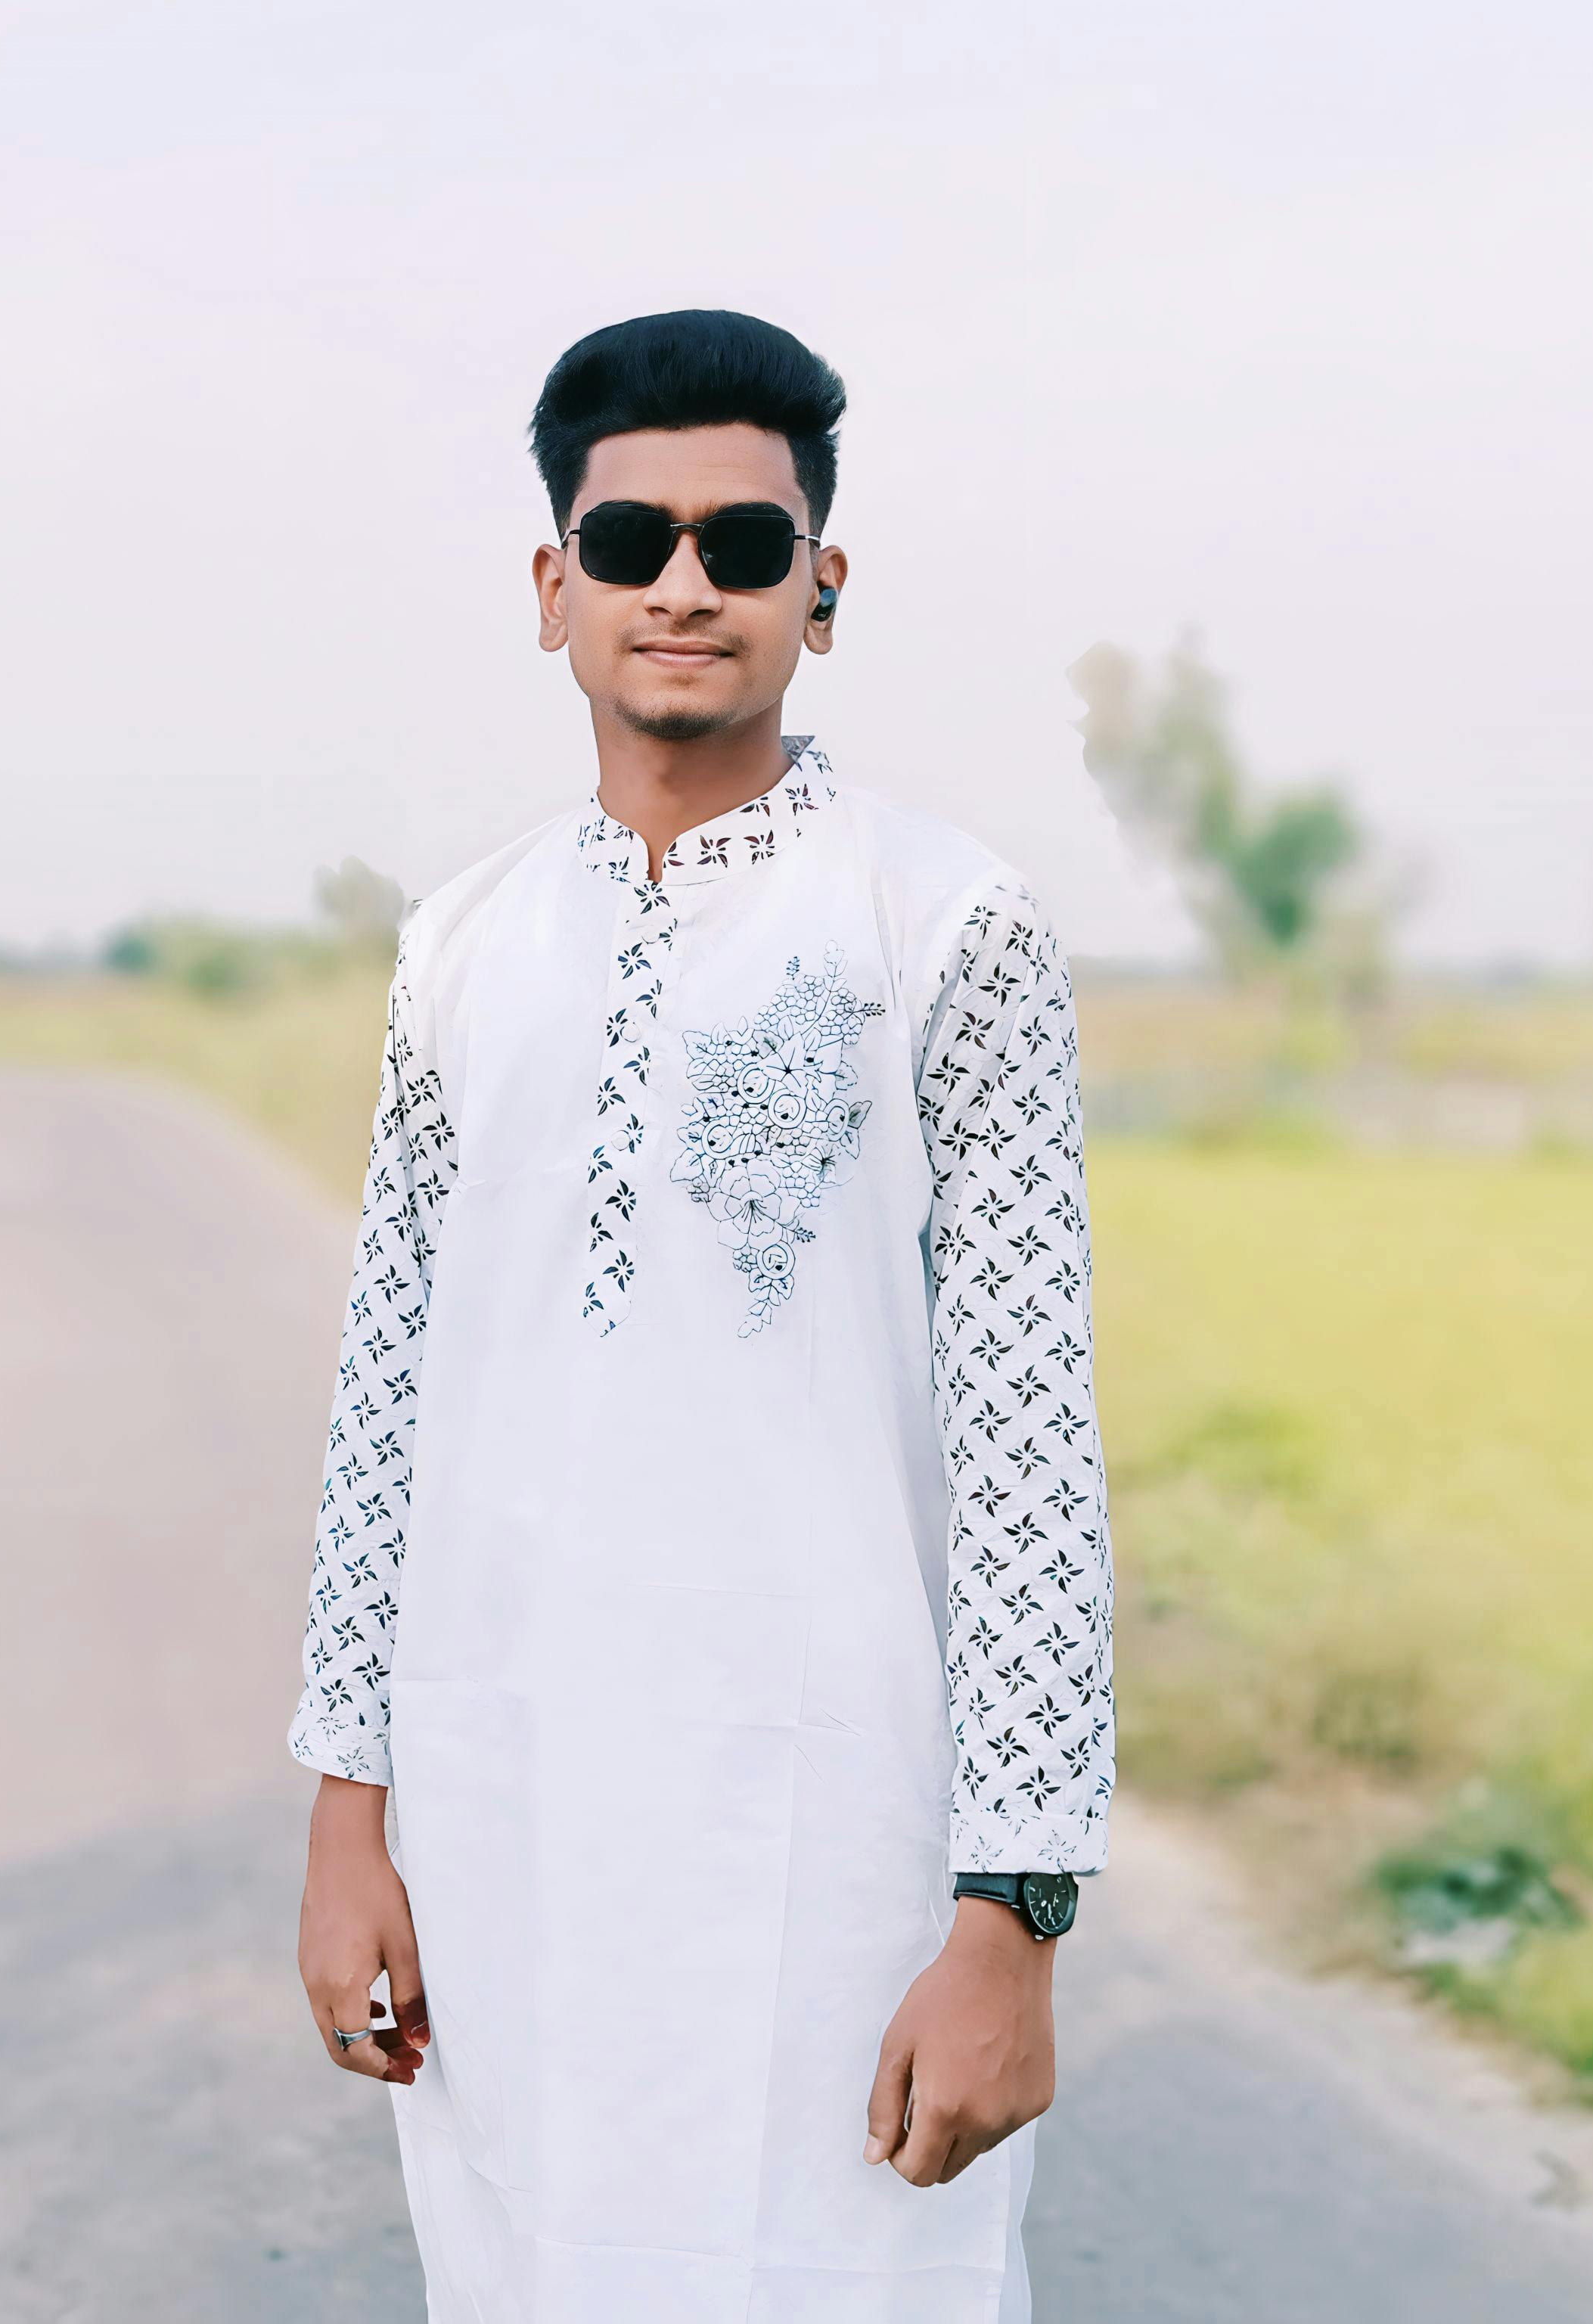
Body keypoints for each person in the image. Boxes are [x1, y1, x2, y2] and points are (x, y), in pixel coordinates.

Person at [289, 309, 1113, 2322]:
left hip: (828, 1838)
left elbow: (1030, 1445)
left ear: (822, 592)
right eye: (632, 538)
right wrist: (348, 1815)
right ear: (551, 583)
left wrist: (1015, 1911)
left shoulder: (945, 928)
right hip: (507, 1828)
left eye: (744, 547)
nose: (685, 585)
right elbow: (388, 1387)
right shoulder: (460, 948)